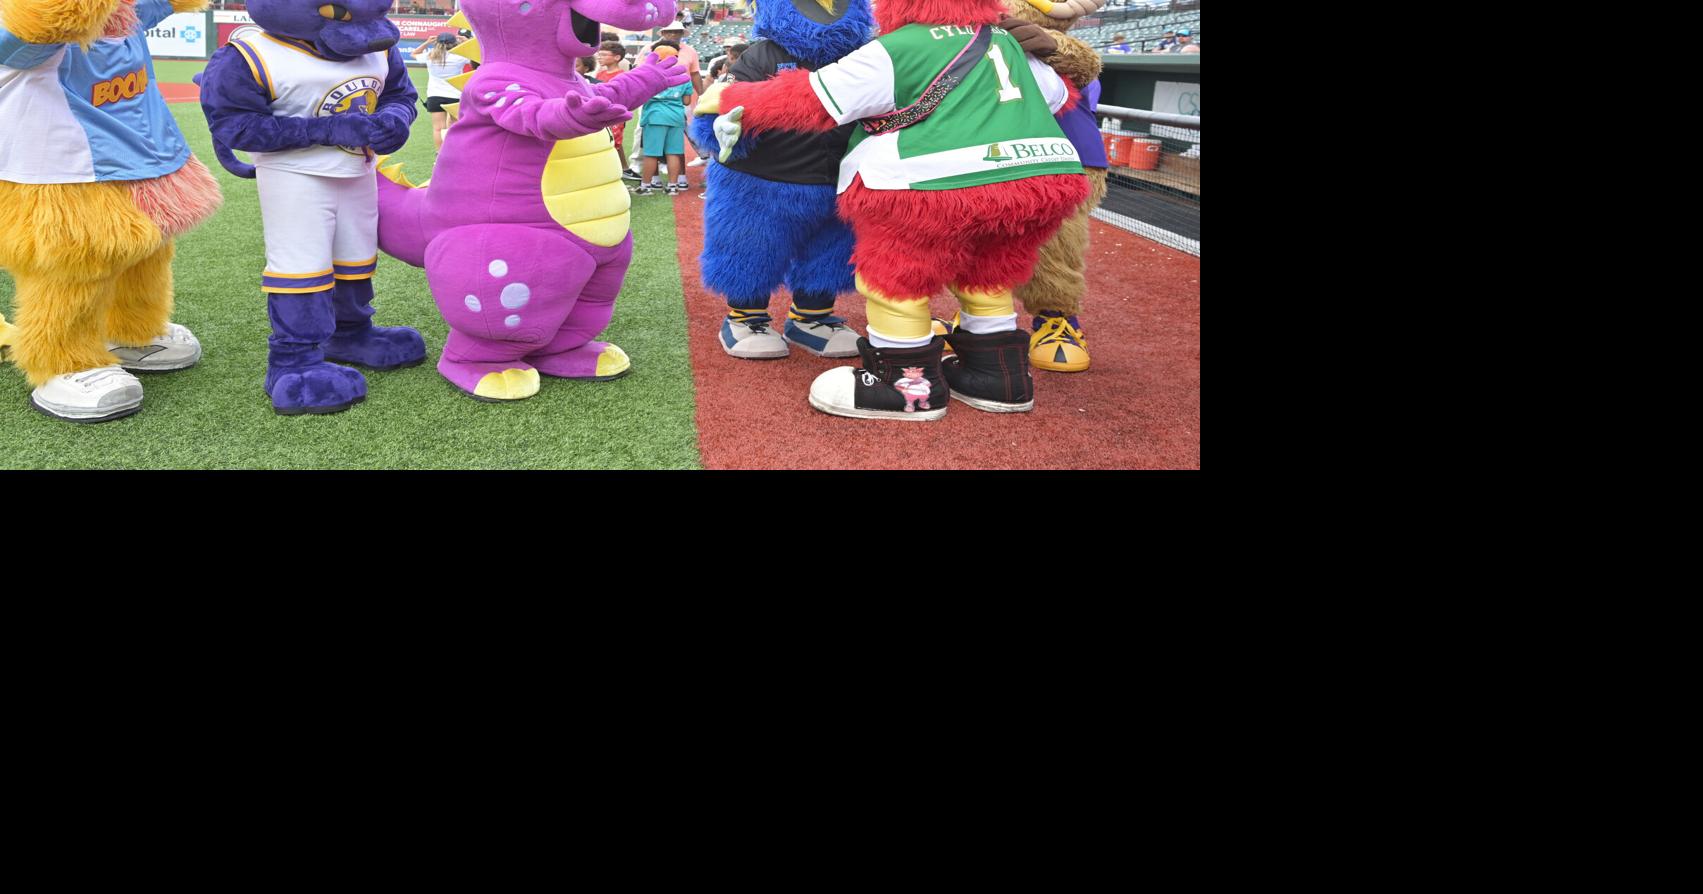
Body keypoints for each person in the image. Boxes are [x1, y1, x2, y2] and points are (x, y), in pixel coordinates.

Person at [634, 43, 693, 196]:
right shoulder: (683, 76)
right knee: (673, 152)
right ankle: (673, 186)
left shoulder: (649, 75)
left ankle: (646, 186)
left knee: (651, 153)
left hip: (655, 117)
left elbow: (640, 97)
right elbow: (686, 101)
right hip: (676, 117)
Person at [412, 32, 465, 149]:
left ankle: (439, 155)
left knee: (438, 129)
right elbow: (480, 54)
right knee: (456, 127)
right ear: (454, 43)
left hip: (435, 96)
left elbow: (414, 53)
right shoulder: (460, 57)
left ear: (437, 42)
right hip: (455, 96)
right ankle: (455, 153)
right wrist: (466, 41)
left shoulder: (430, 56)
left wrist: (427, 42)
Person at [594, 41, 632, 174]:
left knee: (614, 142)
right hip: (600, 114)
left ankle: (614, 171)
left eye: (604, 54)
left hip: (615, 115)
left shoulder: (622, 76)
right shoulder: (600, 75)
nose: (600, 57)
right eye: (599, 54)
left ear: (617, 57)